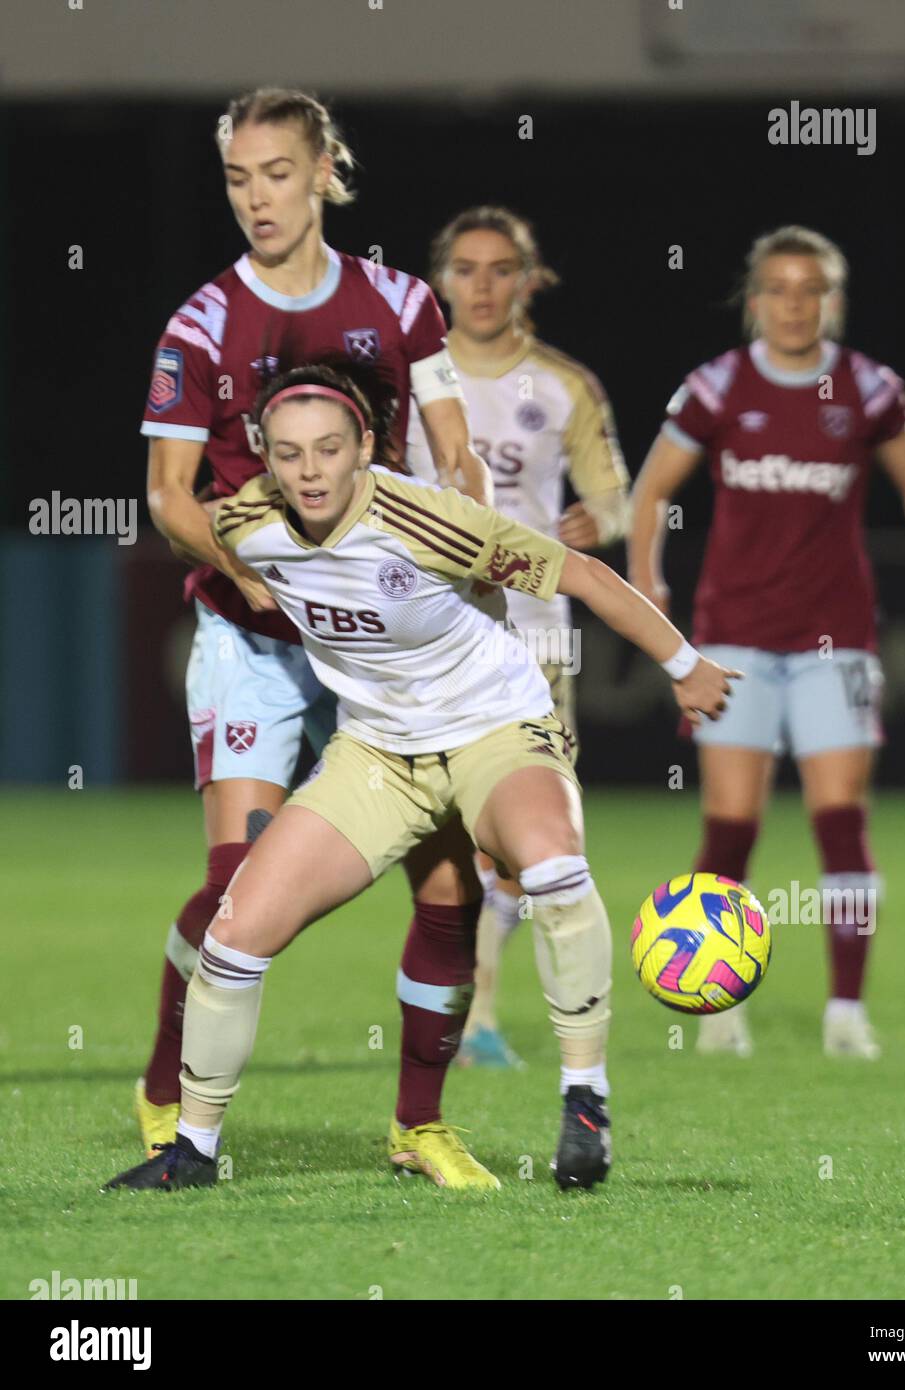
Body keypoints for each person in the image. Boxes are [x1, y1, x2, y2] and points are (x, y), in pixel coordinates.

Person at [104, 359, 739, 1194]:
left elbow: (579, 573)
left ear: (365, 445)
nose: (309, 470)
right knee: (232, 936)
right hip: (376, 756)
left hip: (495, 734)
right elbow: (182, 516)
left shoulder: (430, 519)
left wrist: (683, 663)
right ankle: (192, 1151)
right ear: (262, 452)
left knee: (551, 868)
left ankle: (585, 1099)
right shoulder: (248, 521)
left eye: (329, 449)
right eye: (288, 453)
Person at [136, 86, 497, 1187]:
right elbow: (167, 493)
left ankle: (419, 1127)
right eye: (239, 178)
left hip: (382, 646)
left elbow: (454, 455)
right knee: (240, 881)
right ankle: (165, 1089)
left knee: (451, 885)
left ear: (325, 171)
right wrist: (263, 573)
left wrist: (458, 542)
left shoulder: (400, 303)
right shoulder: (200, 324)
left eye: (277, 173)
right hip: (253, 638)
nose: (257, 198)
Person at [628, 225, 905, 1061]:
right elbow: (650, 492)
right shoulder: (714, 388)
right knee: (729, 830)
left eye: (811, 288)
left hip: (836, 644)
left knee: (840, 824)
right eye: (779, 289)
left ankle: (845, 1013)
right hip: (733, 642)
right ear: (753, 302)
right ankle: (716, 1006)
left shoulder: (867, 388)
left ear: (833, 300)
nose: (794, 303)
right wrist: (648, 578)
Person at [405, 206, 631, 1068]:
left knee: (523, 836)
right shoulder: (413, 379)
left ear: (529, 279)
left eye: (502, 269)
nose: (483, 285)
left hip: (535, 638)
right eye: (466, 268)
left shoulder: (565, 385)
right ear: (440, 279)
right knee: (440, 840)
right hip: (425, 634)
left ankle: (483, 1015)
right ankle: (454, 1010)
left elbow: (618, 492)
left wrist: (597, 521)